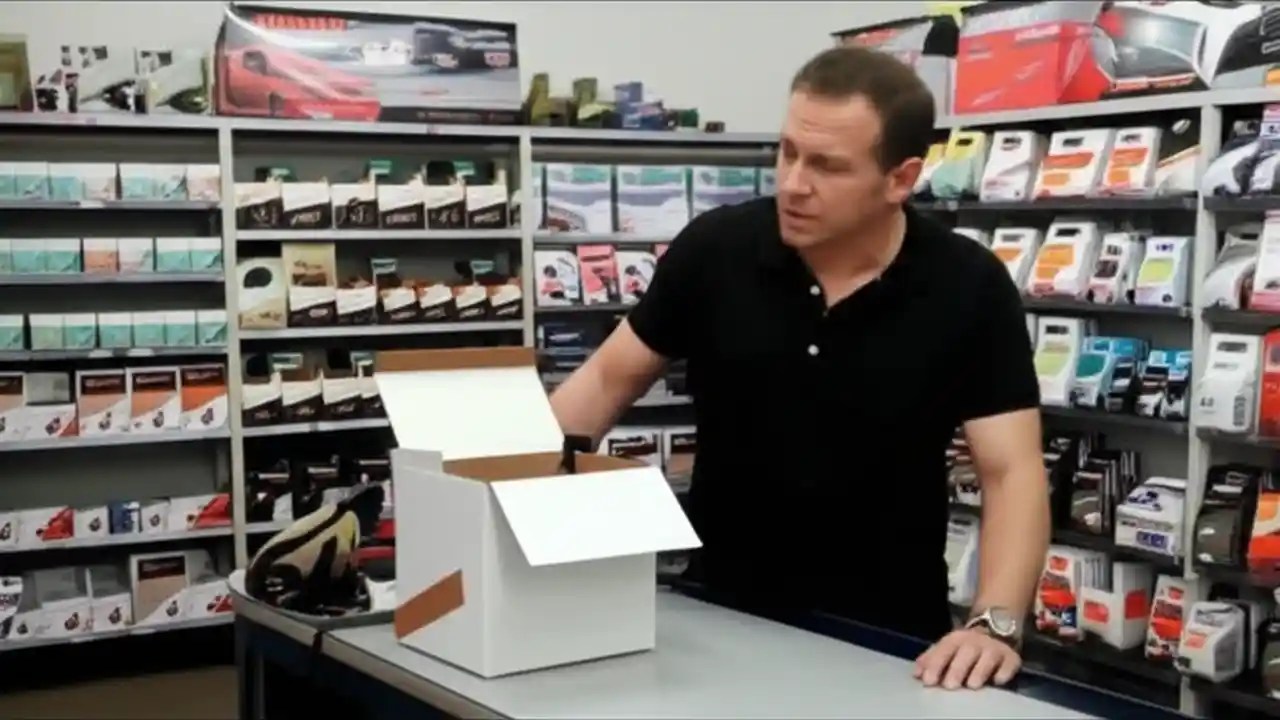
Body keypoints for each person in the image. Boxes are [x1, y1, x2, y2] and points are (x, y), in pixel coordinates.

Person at [549, 45, 1050, 691]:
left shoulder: (968, 285)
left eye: (827, 166)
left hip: (890, 645)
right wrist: (496, 499)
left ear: (900, 179)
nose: (793, 183)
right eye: (787, 152)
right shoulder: (715, 250)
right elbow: (602, 383)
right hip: (713, 622)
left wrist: (994, 625)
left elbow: (1011, 471)